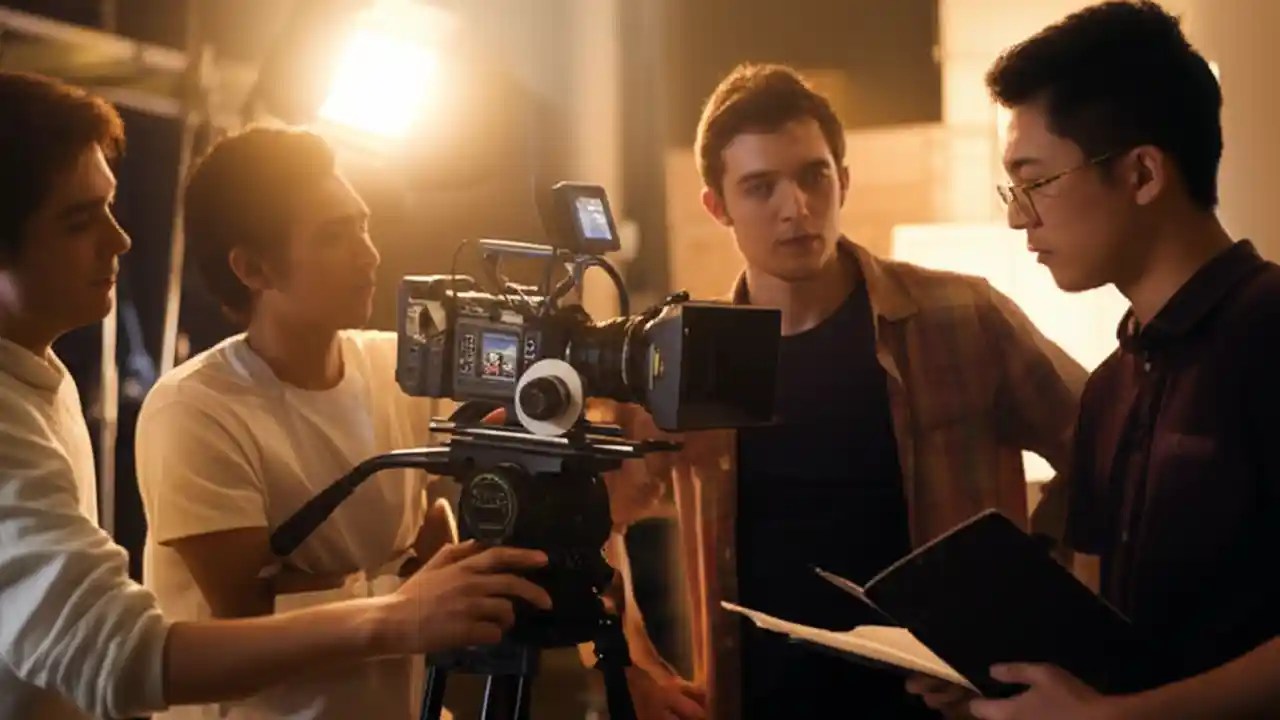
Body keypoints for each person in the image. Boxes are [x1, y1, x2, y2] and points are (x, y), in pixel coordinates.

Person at [0, 70, 551, 720]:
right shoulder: (186, 406)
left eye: (363, 225)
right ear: (253, 268)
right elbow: (125, 650)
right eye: (78, 221)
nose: (120, 240)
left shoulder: (40, 377)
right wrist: (397, 608)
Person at [617, 62, 1089, 719]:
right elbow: (590, 516)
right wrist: (633, 665)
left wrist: (1030, 591)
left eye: (813, 176)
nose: (796, 207)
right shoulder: (687, 357)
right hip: (764, 702)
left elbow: (1108, 447)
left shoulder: (957, 315)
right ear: (717, 206)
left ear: (843, 179)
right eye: (760, 187)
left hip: (950, 703)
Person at [907, 3, 1280, 719]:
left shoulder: (1271, 339)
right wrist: (1001, 678)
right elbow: (1099, 632)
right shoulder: (1111, 385)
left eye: (1035, 181)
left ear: (1142, 173)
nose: (1019, 217)